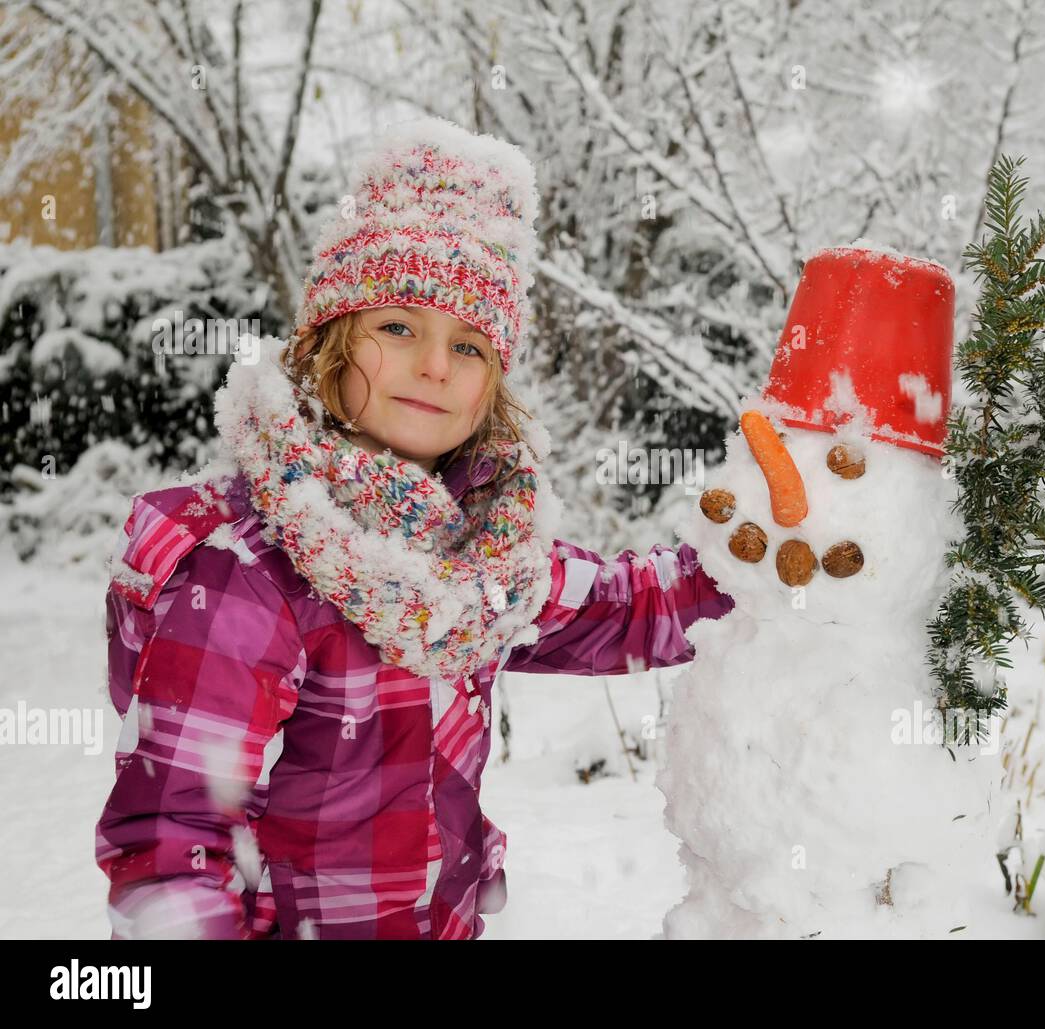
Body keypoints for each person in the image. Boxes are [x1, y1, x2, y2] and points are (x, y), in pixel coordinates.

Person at [94, 116, 734, 940]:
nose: (435, 364)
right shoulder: (248, 573)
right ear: (329, 340)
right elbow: (174, 847)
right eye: (398, 327)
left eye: (469, 345)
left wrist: (757, 571)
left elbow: (617, 606)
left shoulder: (476, 554)